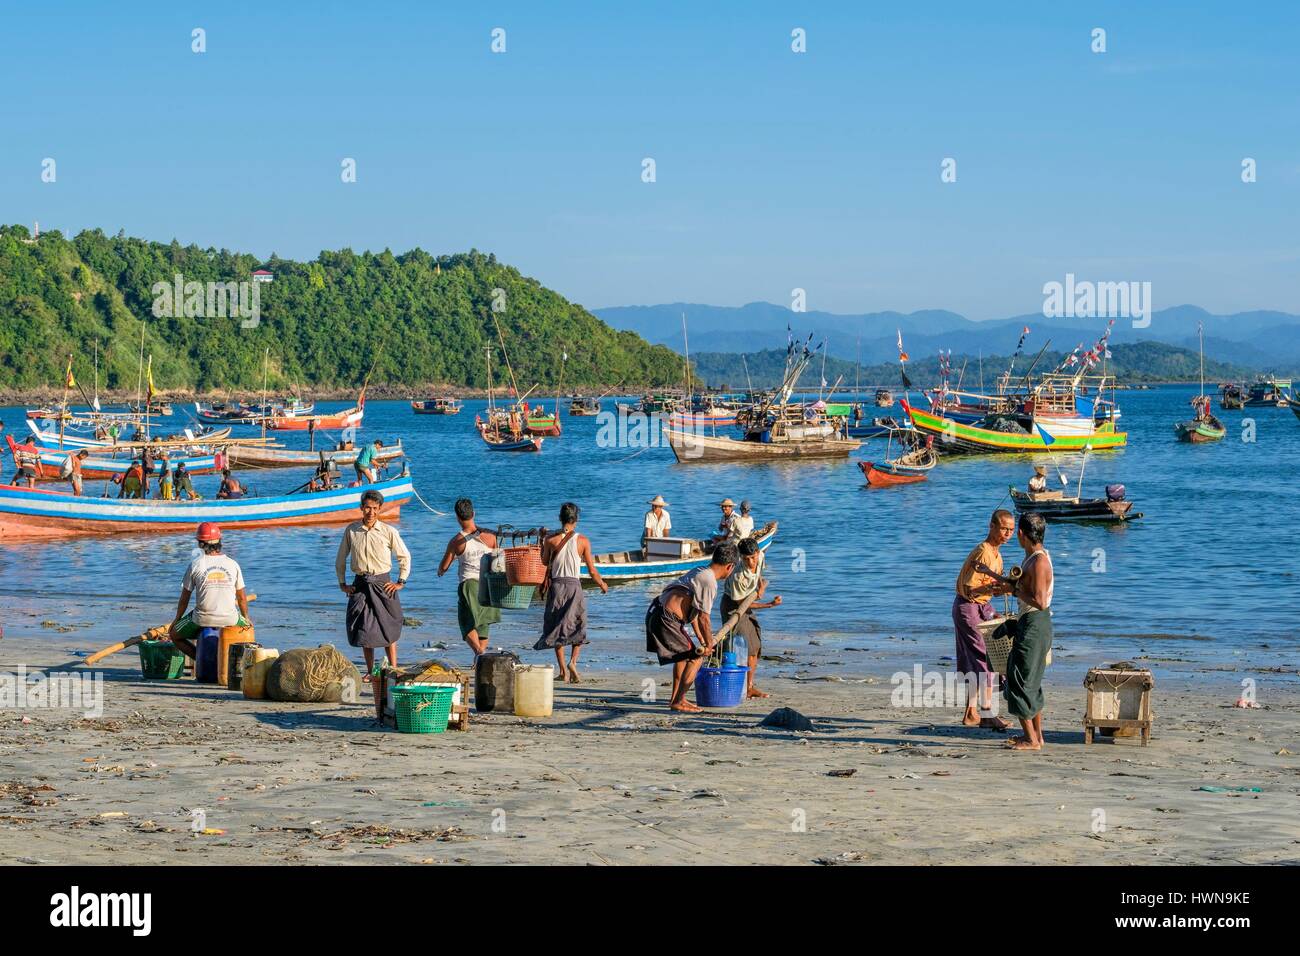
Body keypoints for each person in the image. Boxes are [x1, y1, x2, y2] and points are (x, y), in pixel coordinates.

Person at [644, 542, 738, 713]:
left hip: (656, 611)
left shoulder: (700, 571)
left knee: (682, 656)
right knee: (695, 658)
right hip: (667, 618)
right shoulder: (710, 581)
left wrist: (703, 639)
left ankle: (676, 699)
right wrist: (710, 644)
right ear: (730, 567)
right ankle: (678, 701)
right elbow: (704, 618)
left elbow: (694, 614)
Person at [953, 509, 1016, 730]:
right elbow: (971, 588)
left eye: (1011, 529)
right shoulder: (984, 552)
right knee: (986, 659)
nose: (1007, 533)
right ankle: (988, 713)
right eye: (1003, 528)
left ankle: (971, 713)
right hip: (968, 607)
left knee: (976, 660)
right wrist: (996, 586)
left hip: (982, 606)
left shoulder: (997, 555)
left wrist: (1002, 589)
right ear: (992, 527)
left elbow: (987, 589)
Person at [336, 489, 411, 678]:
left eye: (375, 508)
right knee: (363, 629)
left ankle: (393, 669)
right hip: (360, 584)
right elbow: (340, 558)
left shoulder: (388, 531)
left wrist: (400, 581)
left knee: (389, 626)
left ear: (380, 509)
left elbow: (404, 556)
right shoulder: (351, 531)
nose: (371, 512)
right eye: (367, 508)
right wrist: (342, 584)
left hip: (384, 583)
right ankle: (370, 672)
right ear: (361, 508)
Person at [535, 502, 608, 683]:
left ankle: (562, 672)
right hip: (575, 588)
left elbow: (544, 562)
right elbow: (592, 570)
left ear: (560, 518)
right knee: (578, 626)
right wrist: (602, 584)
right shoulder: (583, 541)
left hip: (557, 588)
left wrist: (542, 540)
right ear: (576, 519)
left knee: (556, 626)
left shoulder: (551, 540)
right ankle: (573, 662)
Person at [1005, 513, 1054, 751]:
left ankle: (1031, 739)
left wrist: (1015, 593)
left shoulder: (1039, 561)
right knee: (1031, 681)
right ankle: (1037, 737)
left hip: (1036, 622)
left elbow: (1040, 601)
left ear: (1021, 534)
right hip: (1033, 622)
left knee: (1018, 680)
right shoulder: (1032, 557)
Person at [169, 523, 252, 661]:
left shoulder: (195, 564)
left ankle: (201, 658)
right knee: (249, 631)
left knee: (174, 635)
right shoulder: (233, 564)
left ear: (200, 544)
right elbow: (242, 598)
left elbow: (184, 598)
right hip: (230, 618)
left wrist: (176, 620)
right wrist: (246, 618)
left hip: (202, 619)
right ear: (219, 542)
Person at [437, 497, 500, 658]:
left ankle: (479, 653)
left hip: (469, 583)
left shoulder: (456, 541)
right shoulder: (491, 537)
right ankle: (480, 657)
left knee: (466, 623)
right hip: (488, 583)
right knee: (483, 622)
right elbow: (498, 561)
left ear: (457, 517)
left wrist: (440, 571)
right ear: (474, 513)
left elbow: (444, 566)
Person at [720, 536, 780, 699]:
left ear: (758, 553)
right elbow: (742, 605)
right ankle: (738, 686)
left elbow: (758, 571)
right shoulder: (738, 576)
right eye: (746, 559)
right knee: (742, 647)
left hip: (748, 600)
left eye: (752, 558)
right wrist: (768, 605)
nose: (751, 563)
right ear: (740, 557)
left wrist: (760, 586)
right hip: (733, 607)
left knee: (755, 645)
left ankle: (749, 687)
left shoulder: (760, 557)